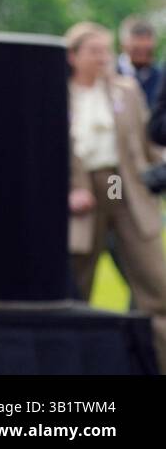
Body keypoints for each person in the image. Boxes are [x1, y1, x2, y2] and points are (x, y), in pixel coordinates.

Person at [66, 21, 166, 372]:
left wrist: (160, 172)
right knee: (75, 291)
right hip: (82, 199)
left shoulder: (126, 91)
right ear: (73, 56)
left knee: (157, 285)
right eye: (94, 51)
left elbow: (150, 143)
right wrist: (70, 191)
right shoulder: (59, 94)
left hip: (126, 190)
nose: (103, 58)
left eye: (106, 51)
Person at [118, 16, 162, 108]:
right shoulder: (111, 74)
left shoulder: (160, 77)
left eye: (147, 50)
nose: (142, 54)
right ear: (123, 45)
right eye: (137, 49)